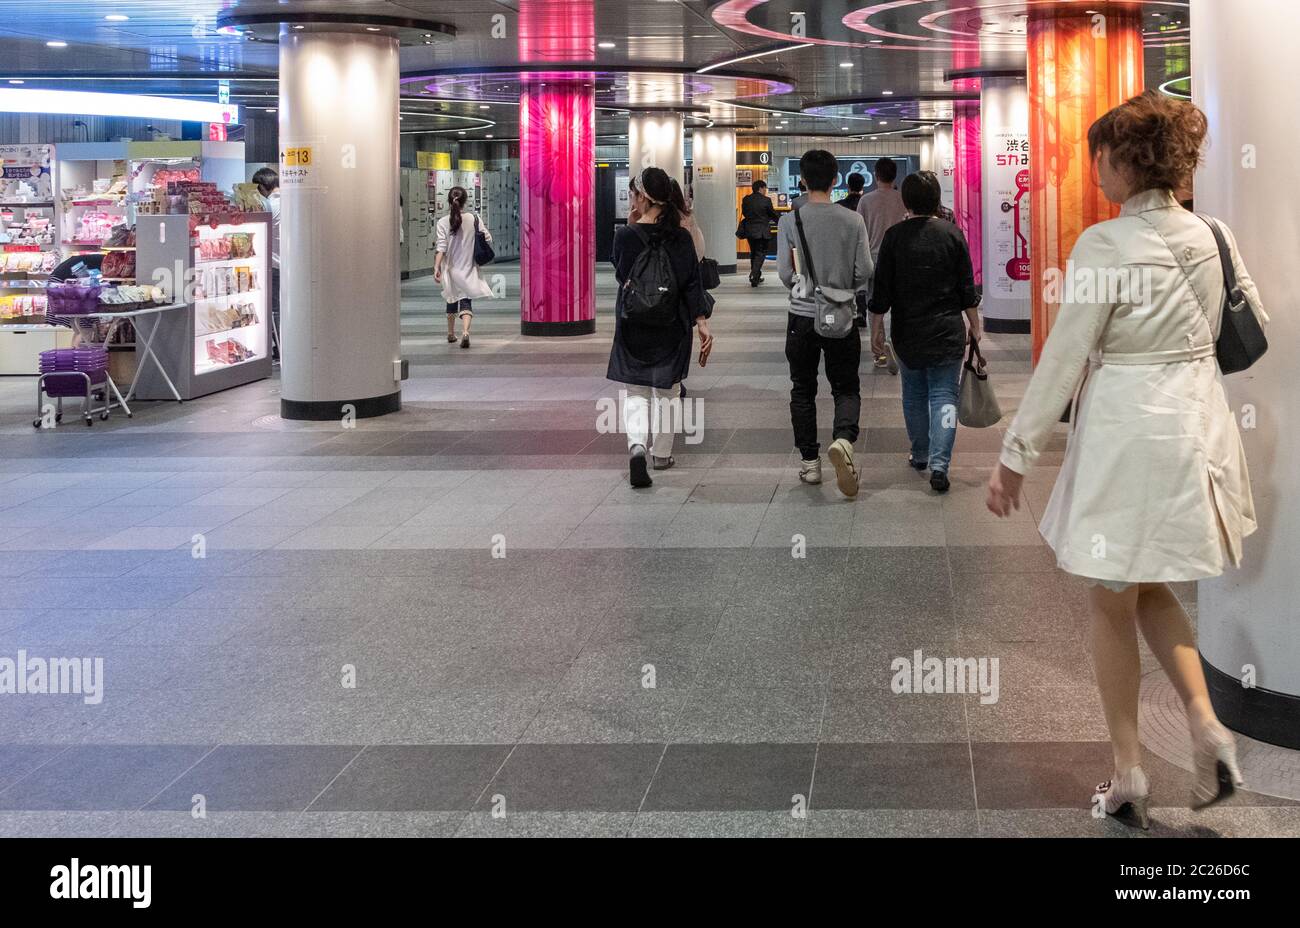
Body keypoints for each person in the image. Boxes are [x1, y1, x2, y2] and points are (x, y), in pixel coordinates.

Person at [985, 90, 1267, 826]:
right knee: (1146, 585)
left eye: (1099, 157)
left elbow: (1065, 357)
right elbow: (1251, 322)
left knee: (1110, 598)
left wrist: (1016, 455)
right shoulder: (1214, 234)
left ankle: (1130, 772)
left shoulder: (1104, 246)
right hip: (1197, 427)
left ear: (1121, 158)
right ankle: (1207, 726)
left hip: (1126, 433)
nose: (1095, 170)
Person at [869, 172, 981, 494]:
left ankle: (920, 454)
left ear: (906, 201)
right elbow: (965, 287)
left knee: (914, 395)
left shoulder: (894, 237)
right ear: (937, 200)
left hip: (908, 331)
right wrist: (975, 323)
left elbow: (882, 291)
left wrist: (876, 327)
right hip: (947, 330)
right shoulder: (952, 234)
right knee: (945, 396)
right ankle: (940, 464)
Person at [607, 167, 714, 487]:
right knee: (667, 389)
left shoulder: (625, 236)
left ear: (642, 198)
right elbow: (692, 282)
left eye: (634, 195)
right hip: (672, 323)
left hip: (632, 322)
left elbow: (620, 274)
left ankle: (637, 445)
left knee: (636, 390)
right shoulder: (680, 237)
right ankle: (662, 454)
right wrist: (702, 323)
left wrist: (631, 226)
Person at [777, 149, 872, 497]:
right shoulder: (853, 220)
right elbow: (865, 271)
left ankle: (810, 465)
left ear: (802, 179)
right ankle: (844, 440)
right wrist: (841, 288)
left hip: (801, 318)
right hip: (842, 315)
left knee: (802, 388)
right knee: (845, 386)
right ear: (836, 180)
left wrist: (806, 290)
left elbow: (786, 274)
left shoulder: (791, 221)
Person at [858, 157, 909, 368]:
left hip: (874, 258)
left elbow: (859, 234)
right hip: (901, 258)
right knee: (900, 305)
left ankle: (878, 352)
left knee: (875, 307)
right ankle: (898, 345)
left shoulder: (866, 201)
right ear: (894, 175)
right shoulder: (903, 199)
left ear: (876, 175)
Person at [434, 186, 493, 349]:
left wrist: (436, 267)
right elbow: (488, 237)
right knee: (466, 299)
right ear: (465, 200)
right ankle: (465, 332)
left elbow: (441, 248)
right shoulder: (474, 219)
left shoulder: (442, 222)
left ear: (449, 201)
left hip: (450, 269)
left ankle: (451, 333)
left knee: (451, 298)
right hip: (468, 266)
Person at [252, 167, 280, 360]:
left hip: (272, 263)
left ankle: (276, 347)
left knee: (273, 307)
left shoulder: (269, 205)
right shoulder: (292, 201)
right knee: (281, 306)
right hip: (289, 264)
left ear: (262, 186)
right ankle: (282, 345)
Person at [840, 172, 869, 327]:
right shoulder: (866, 204)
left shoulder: (839, 205)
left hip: (843, 250)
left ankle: (845, 312)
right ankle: (861, 312)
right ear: (862, 186)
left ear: (848, 186)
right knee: (861, 282)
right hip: (863, 247)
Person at [740, 179, 779, 286]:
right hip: (762, 231)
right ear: (761, 188)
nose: (766, 190)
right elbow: (772, 214)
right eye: (765, 188)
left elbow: (744, 213)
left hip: (749, 230)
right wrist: (781, 222)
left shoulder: (746, 199)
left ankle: (756, 277)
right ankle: (754, 274)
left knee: (754, 252)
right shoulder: (766, 200)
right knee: (761, 253)